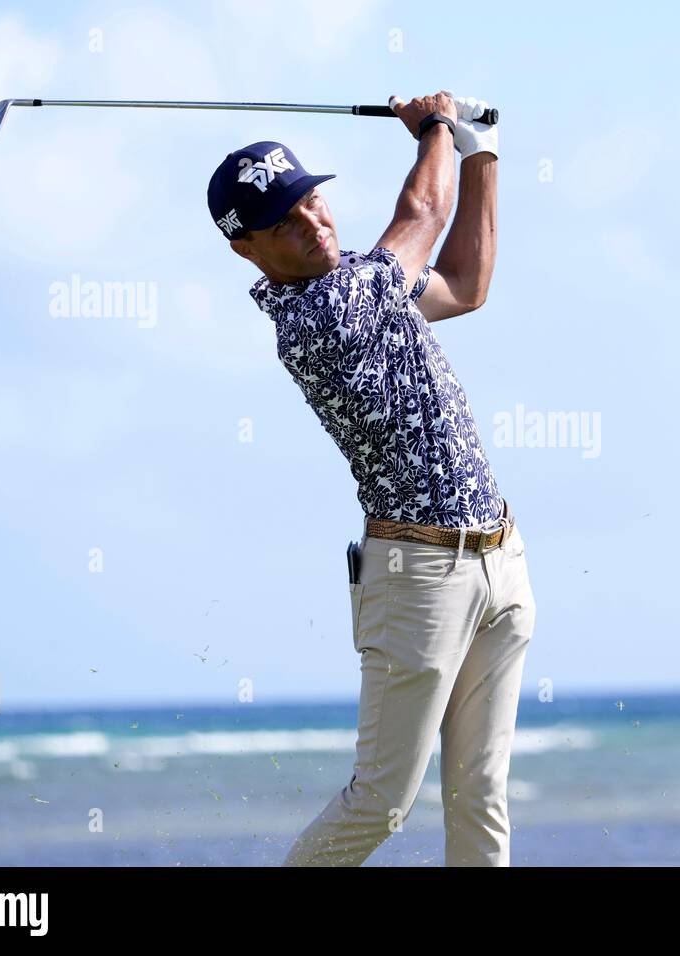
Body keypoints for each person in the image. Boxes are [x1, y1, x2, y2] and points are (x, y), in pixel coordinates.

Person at [205, 92, 535, 866]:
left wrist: (480, 150)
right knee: (381, 802)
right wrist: (436, 129)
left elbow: (466, 283)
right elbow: (423, 213)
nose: (312, 221)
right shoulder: (323, 316)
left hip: (500, 558)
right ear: (246, 249)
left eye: (310, 199)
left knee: (482, 793)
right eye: (283, 221)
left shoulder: (366, 280)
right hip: (418, 579)